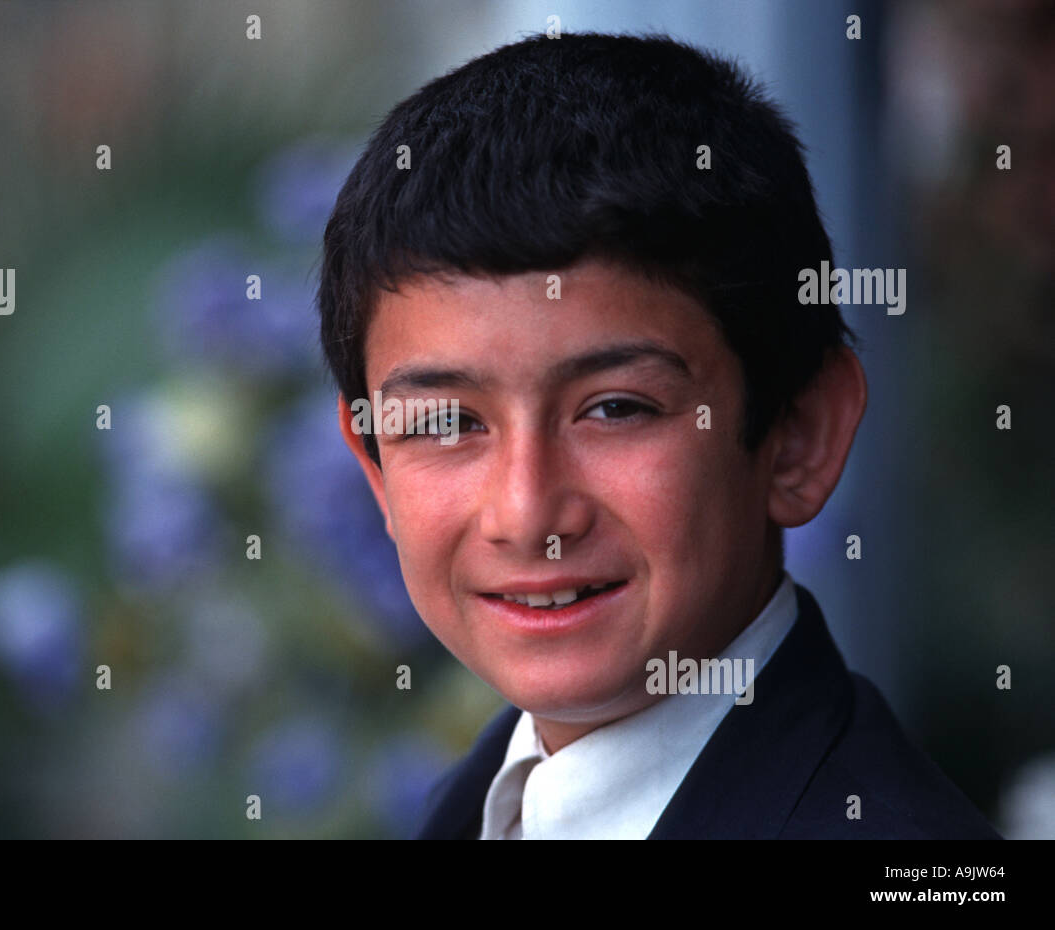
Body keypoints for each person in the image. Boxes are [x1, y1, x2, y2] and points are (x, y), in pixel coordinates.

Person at [316, 31, 1000, 839]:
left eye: (616, 409)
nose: (528, 512)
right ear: (374, 467)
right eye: (446, 423)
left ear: (800, 434)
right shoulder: (473, 812)